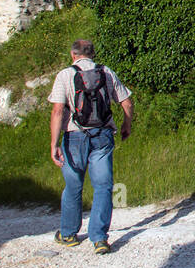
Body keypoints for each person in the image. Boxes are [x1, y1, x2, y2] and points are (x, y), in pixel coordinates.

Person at [48, 39, 133, 254]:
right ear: (93, 53)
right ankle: (99, 239)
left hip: (74, 136)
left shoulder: (65, 75)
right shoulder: (106, 72)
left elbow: (58, 111)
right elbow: (127, 102)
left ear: (72, 54)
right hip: (103, 134)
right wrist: (126, 124)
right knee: (103, 186)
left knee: (73, 185)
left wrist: (54, 144)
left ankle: (68, 234)